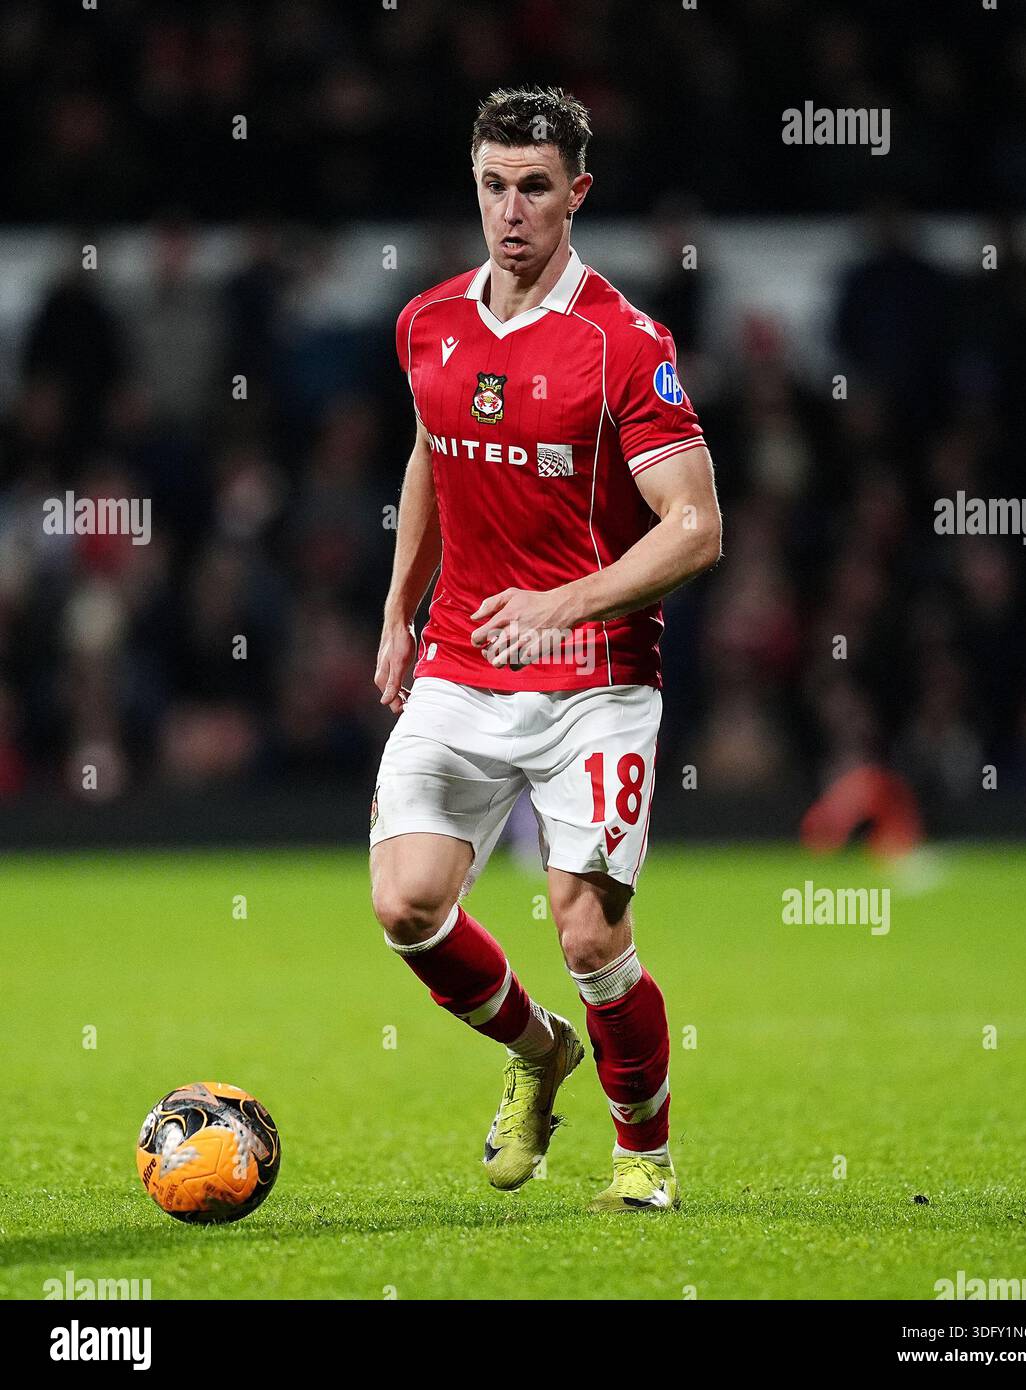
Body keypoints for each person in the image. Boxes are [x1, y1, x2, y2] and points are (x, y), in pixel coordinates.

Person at [370, 86, 721, 1211]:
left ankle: (643, 1159)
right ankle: (537, 1050)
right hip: (466, 660)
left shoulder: (621, 343)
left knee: (586, 930)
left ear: (576, 194)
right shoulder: (427, 321)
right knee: (406, 905)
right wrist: (397, 611)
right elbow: (434, 451)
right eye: (490, 185)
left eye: (532, 187)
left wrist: (566, 603)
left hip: (595, 676)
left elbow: (696, 526)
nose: (509, 210)